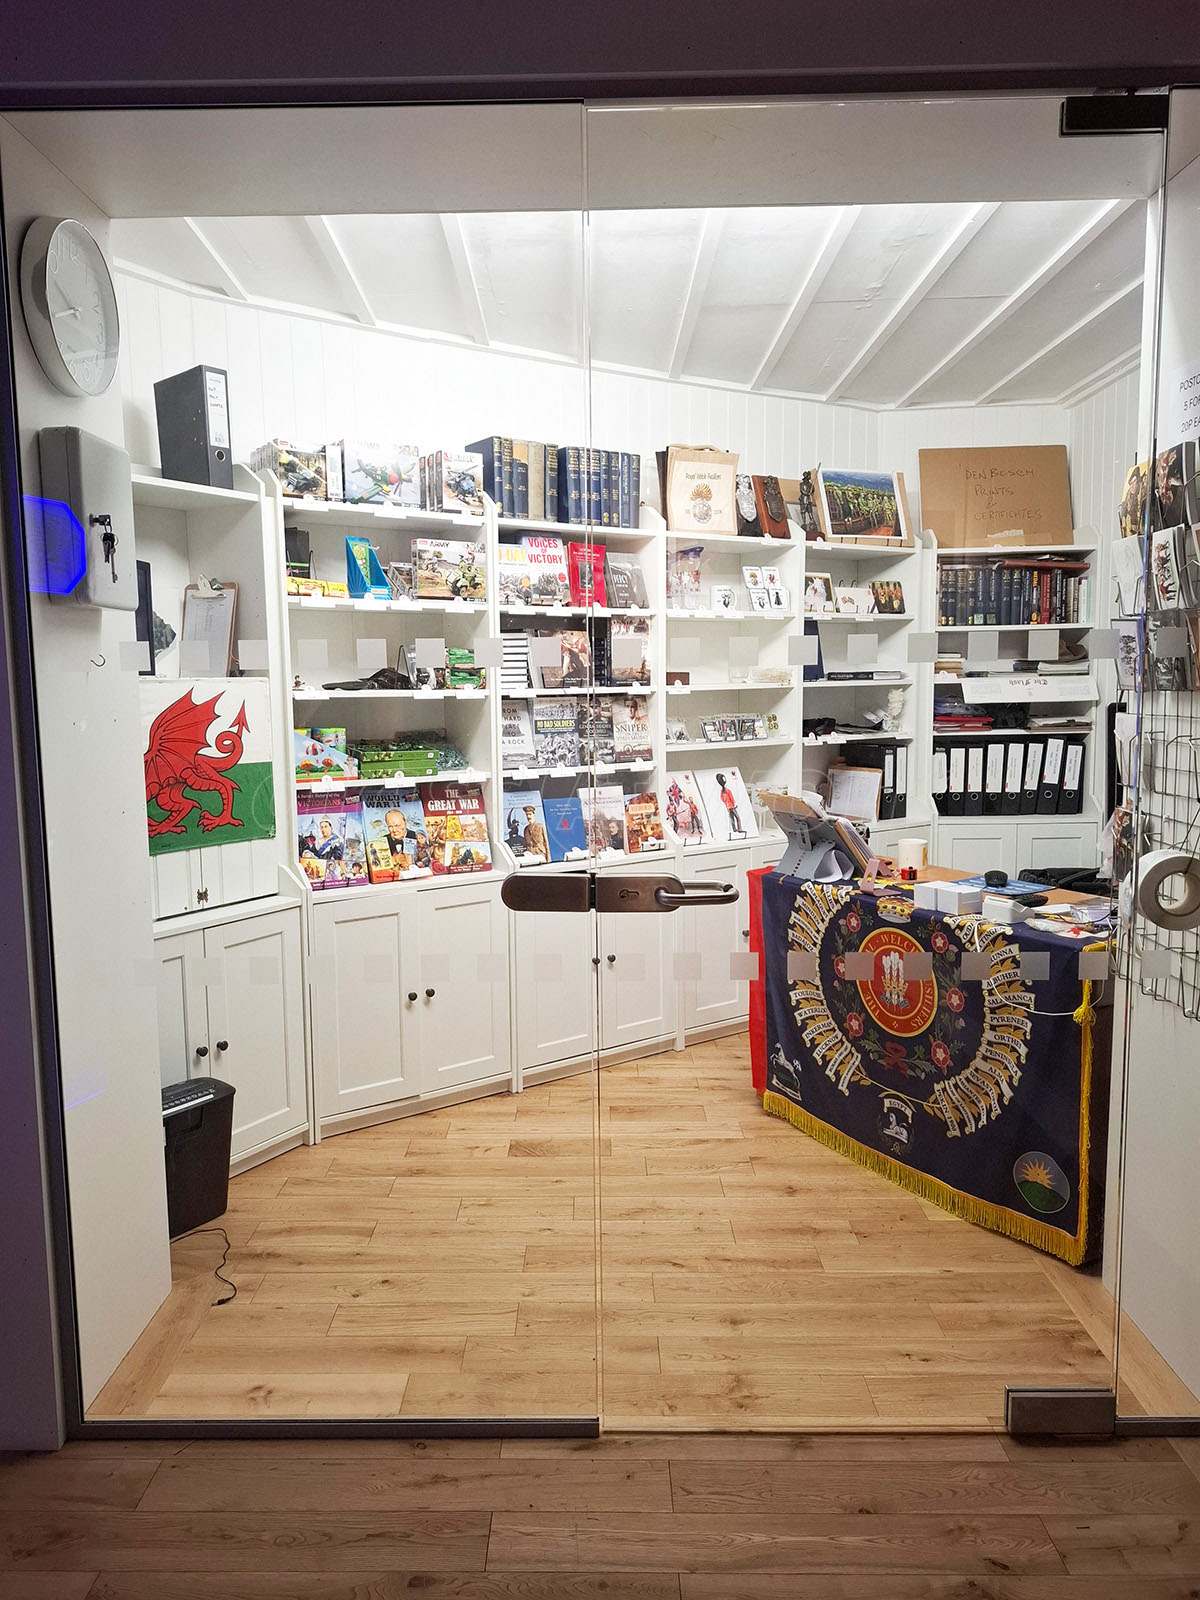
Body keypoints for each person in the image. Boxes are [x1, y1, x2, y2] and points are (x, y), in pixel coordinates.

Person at [716, 773, 744, 837]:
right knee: (737, 817)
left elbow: (722, 799)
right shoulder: (728, 791)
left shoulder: (722, 791)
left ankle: (734, 829)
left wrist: (726, 804)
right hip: (731, 806)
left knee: (732, 818)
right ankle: (739, 829)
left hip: (728, 807)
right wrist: (734, 805)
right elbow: (732, 798)